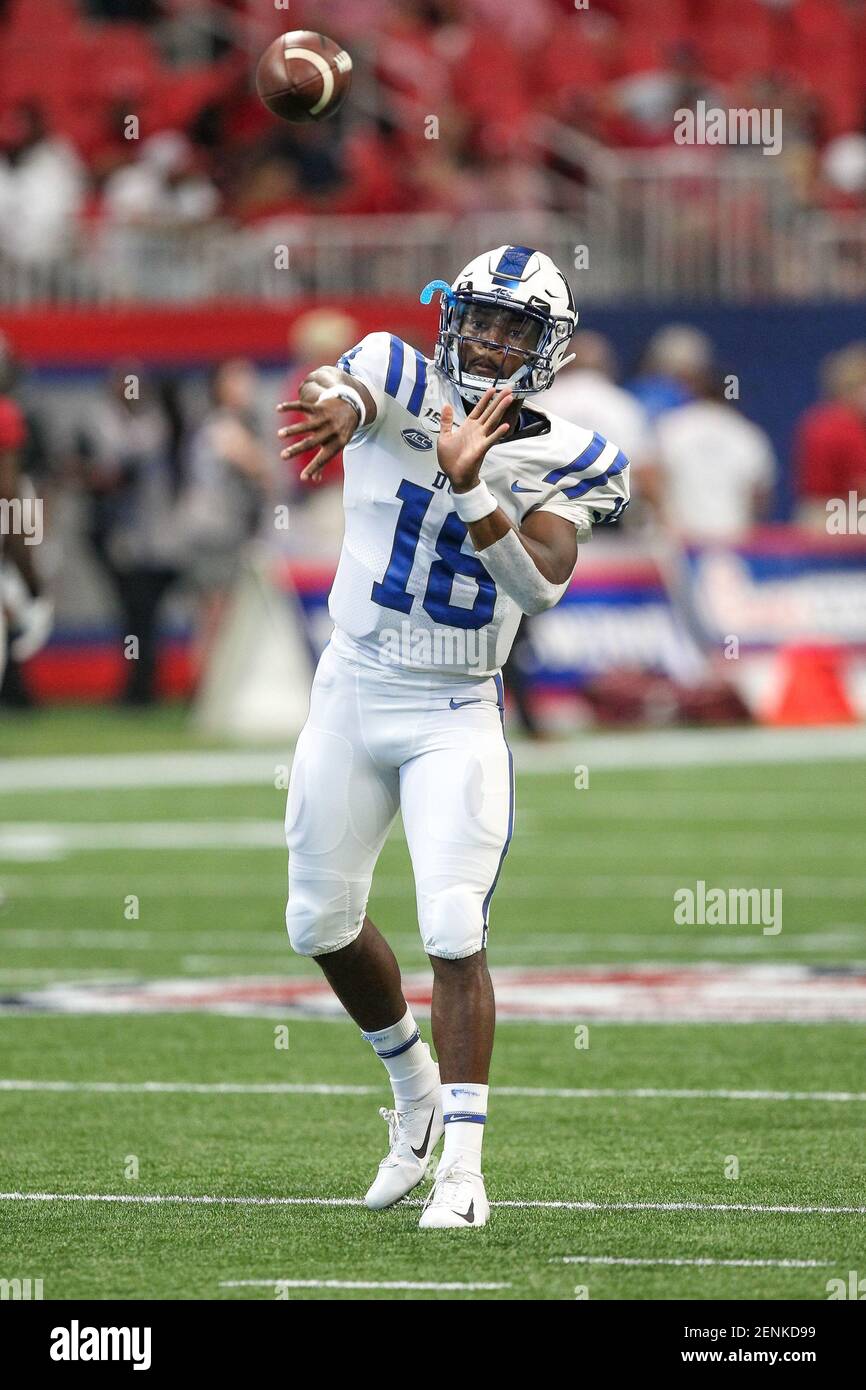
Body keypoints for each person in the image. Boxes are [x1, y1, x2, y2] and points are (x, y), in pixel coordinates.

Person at [276, 246, 629, 1229]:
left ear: (546, 348)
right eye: (481, 317)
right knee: (315, 923)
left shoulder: (579, 453)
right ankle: (412, 1090)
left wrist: (473, 489)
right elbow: (340, 382)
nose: (490, 339)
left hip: (452, 706)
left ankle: (464, 1171)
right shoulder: (397, 371)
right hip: (350, 686)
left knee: (450, 924)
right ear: (452, 314)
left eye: (516, 329)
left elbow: (541, 585)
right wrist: (338, 407)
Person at [646, 370, 775, 541]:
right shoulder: (747, 433)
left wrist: (664, 519)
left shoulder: (671, 426)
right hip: (732, 533)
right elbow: (759, 494)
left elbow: (649, 476)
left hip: (680, 537)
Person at [793, 342, 866, 530]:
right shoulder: (844, 427)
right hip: (839, 519)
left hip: (814, 515)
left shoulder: (816, 419)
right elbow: (860, 484)